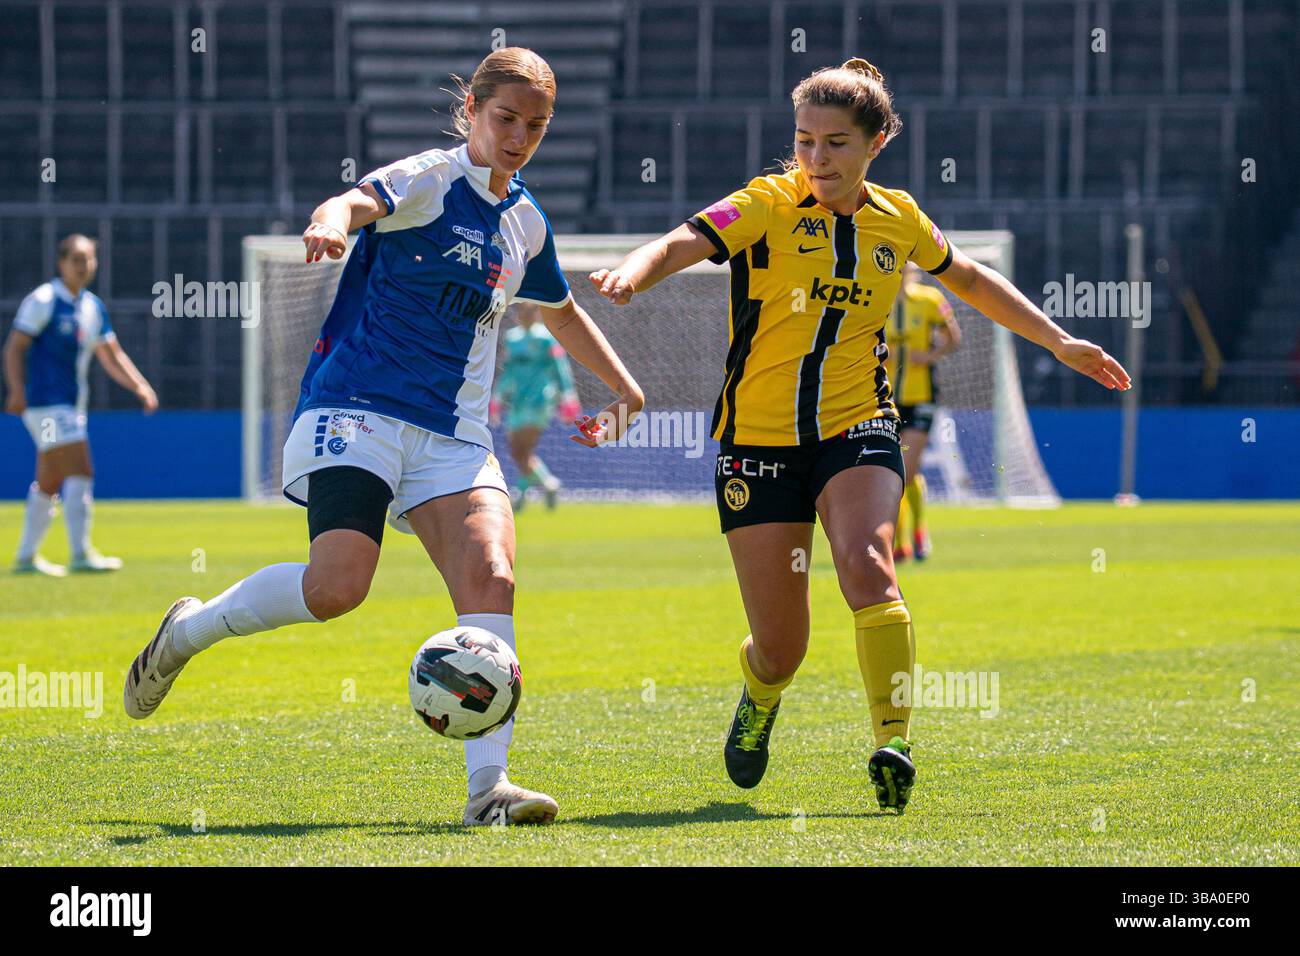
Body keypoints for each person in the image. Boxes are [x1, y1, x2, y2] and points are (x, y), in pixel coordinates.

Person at [589, 58, 1129, 812]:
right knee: (781, 648)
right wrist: (634, 269)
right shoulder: (768, 204)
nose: (817, 159)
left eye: (837, 143)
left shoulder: (898, 218)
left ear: (876, 144)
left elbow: (968, 277)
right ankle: (759, 696)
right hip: (758, 442)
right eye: (806, 140)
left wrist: (1057, 340)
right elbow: (686, 240)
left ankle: (893, 740)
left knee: (869, 563)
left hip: (858, 426)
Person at [122, 48, 644, 827]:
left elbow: (559, 308)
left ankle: (487, 790)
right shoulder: (429, 179)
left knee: (492, 576)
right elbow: (354, 202)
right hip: (358, 408)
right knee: (337, 588)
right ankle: (187, 631)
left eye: (535, 126)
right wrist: (329, 223)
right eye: (505, 119)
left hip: (455, 435)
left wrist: (625, 385)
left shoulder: (526, 221)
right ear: (471, 108)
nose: (519, 137)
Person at [3, 234, 158, 576]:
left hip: (71, 406)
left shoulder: (91, 306)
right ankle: (80, 552)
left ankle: (27, 557)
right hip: (45, 404)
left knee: (50, 479)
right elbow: (14, 347)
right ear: (61, 263)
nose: (82, 265)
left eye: (88, 258)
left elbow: (111, 355)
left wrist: (140, 386)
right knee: (81, 470)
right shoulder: (44, 300)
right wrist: (16, 390)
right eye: (75, 258)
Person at [885, 262, 961, 562]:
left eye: (906, 271)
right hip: (886, 397)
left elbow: (953, 338)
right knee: (895, 471)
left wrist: (929, 355)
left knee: (907, 468)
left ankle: (918, 529)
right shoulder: (877, 300)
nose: (901, 277)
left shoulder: (930, 300)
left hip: (921, 396)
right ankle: (900, 542)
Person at [491, 302, 582, 510]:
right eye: (521, 310)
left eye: (530, 311)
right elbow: (508, 371)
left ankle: (521, 497)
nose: (525, 315)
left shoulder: (546, 338)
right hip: (517, 402)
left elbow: (561, 368)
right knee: (517, 451)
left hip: (540, 400)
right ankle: (548, 483)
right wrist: (496, 397)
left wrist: (569, 397)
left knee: (524, 448)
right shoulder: (512, 338)